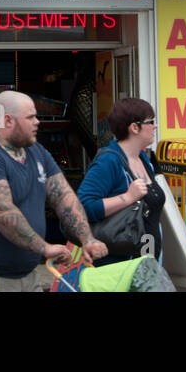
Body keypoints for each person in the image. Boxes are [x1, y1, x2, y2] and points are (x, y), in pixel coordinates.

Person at [0, 90, 107, 291]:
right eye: (30, 117)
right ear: (8, 120)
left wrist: (87, 239)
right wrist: (44, 248)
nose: (38, 122)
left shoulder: (36, 151)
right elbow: (3, 213)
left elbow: (63, 196)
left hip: (26, 276)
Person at [77, 97, 165, 264]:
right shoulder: (108, 161)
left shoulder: (143, 159)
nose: (155, 126)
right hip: (119, 266)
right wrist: (128, 197)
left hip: (147, 263)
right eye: (150, 121)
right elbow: (83, 206)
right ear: (134, 127)